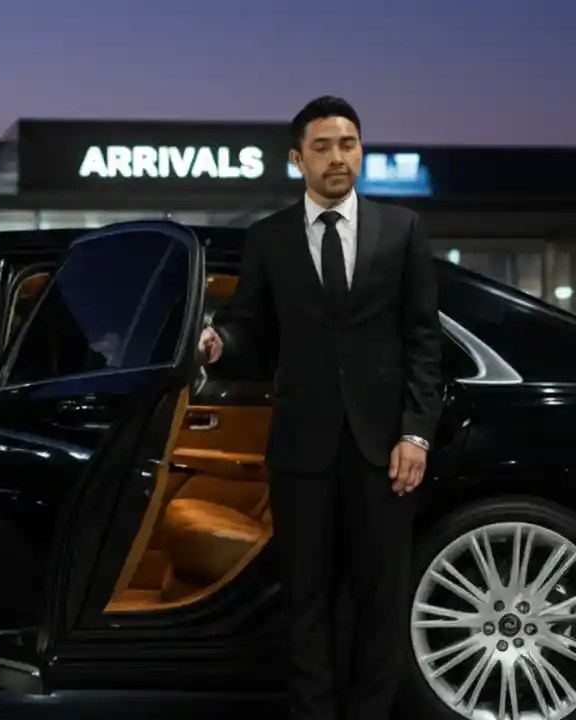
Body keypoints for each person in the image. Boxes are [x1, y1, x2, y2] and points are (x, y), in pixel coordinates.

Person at [198, 95, 442, 720]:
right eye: (324, 147)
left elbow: (423, 342)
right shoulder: (269, 238)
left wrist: (415, 435)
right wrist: (221, 341)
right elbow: (251, 328)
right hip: (301, 449)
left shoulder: (403, 231)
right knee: (305, 598)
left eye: (349, 144)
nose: (339, 157)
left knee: (378, 599)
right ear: (296, 159)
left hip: (383, 449)